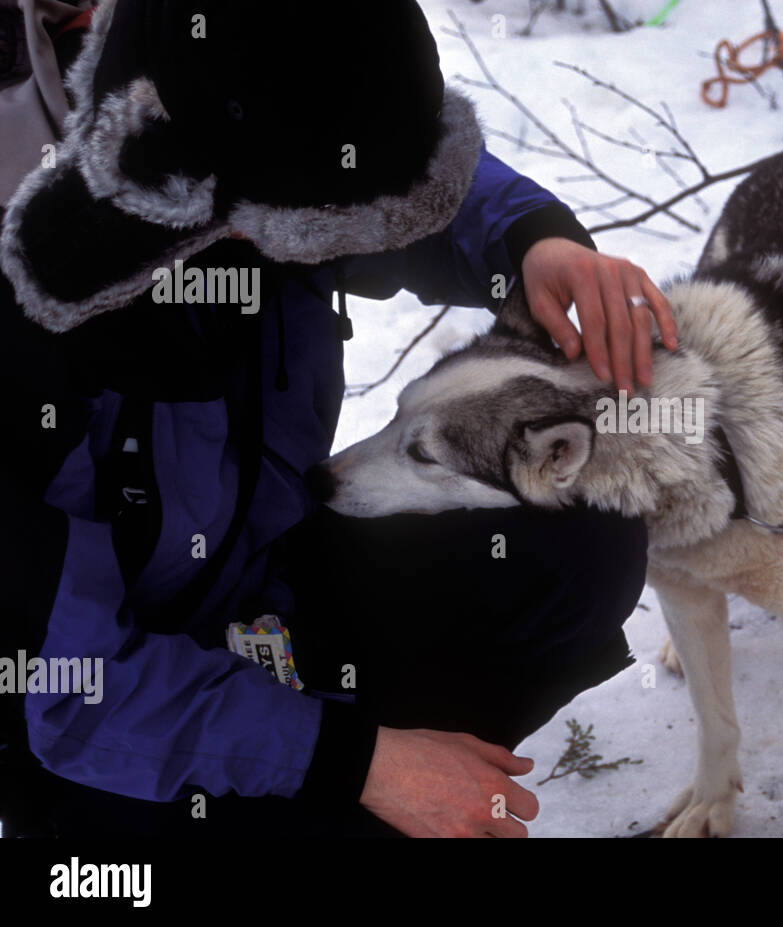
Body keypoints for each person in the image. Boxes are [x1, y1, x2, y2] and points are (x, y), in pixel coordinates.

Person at [0, 0, 677, 838]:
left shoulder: (239, 103)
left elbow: (382, 174)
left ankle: (406, 789)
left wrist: (531, 241)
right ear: (205, 207)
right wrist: (356, 761)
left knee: (578, 538)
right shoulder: (34, 331)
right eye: (324, 228)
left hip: (264, 581)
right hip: (98, 717)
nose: (350, 241)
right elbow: (72, 692)